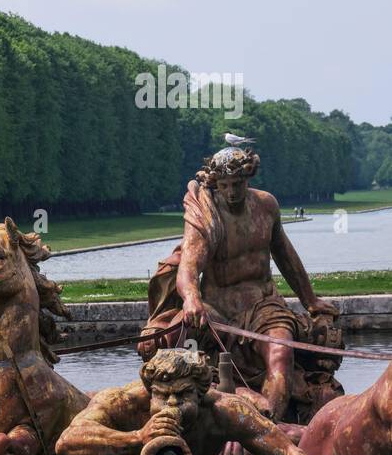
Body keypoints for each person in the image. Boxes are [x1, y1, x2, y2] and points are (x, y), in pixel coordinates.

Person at [139, 145, 342, 421]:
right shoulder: (207, 215)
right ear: (215, 183)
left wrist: (310, 300)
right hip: (217, 310)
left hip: (265, 307)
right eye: (225, 185)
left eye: (238, 184)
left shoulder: (266, 206)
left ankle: (270, 428)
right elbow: (188, 267)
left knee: (281, 352)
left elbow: (285, 256)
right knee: (178, 344)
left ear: (248, 178)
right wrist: (191, 299)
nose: (232, 192)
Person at [56, 349, 370, 455]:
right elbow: (67, 442)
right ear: (148, 391)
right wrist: (138, 437)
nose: (172, 404)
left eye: (183, 395)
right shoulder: (122, 401)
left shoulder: (224, 410)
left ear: (203, 392)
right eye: (163, 396)